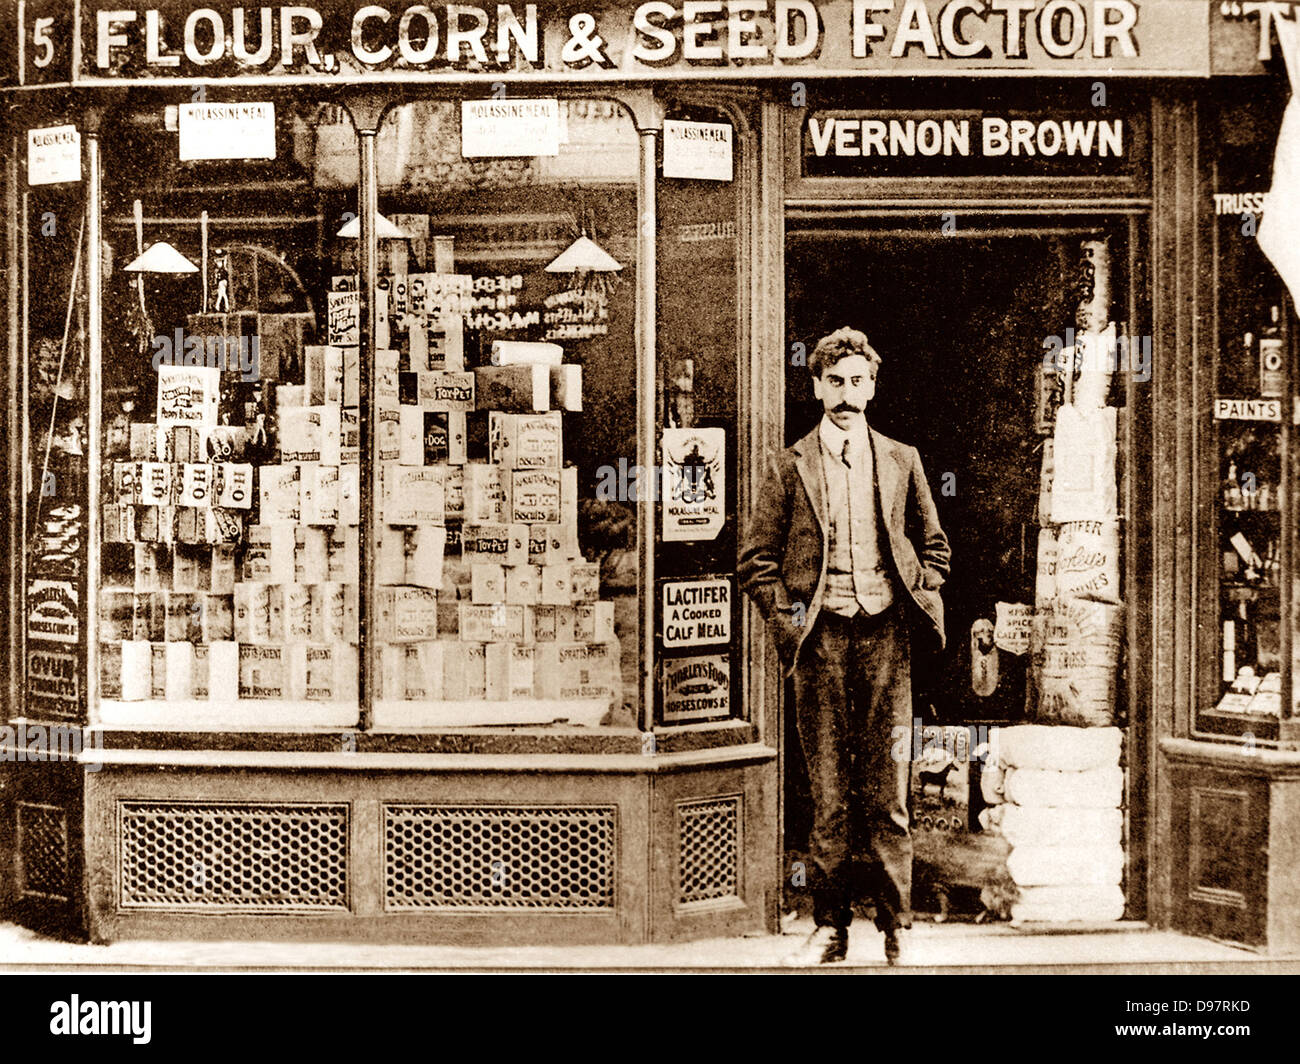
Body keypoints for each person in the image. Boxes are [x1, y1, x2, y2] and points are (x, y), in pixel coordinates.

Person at [739, 326, 950, 966]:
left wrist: (919, 591)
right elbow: (756, 560)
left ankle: (897, 928)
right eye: (836, 382)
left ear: (873, 387)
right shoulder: (787, 465)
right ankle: (830, 926)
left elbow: (935, 548)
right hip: (821, 640)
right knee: (828, 793)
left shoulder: (901, 458)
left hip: (887, 637)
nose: (848, 395)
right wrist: (791, 623)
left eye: (859, 382)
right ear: (815, 385)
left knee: (888, 791)